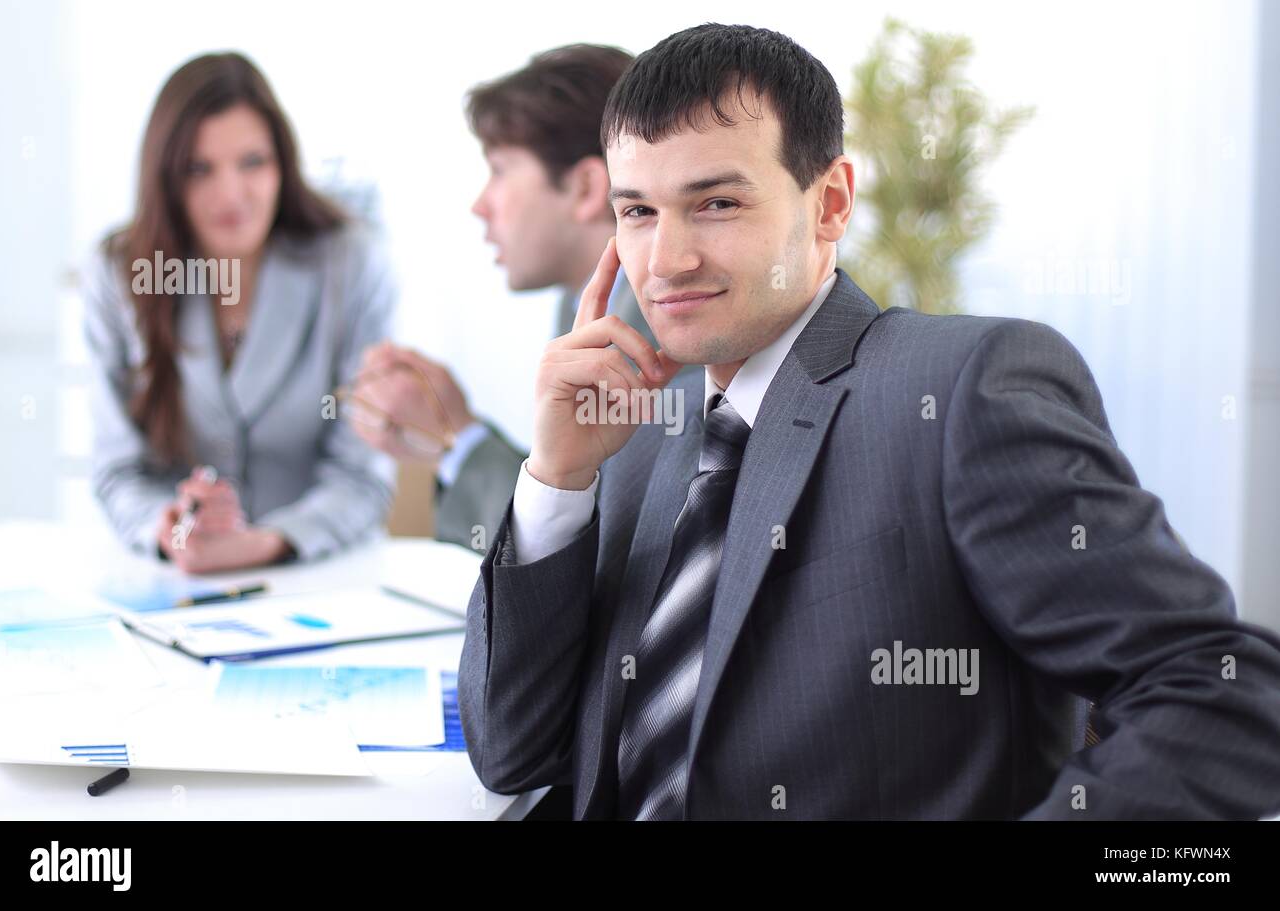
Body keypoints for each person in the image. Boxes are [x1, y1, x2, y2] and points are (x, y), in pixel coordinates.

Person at [458, 24, 1280, 820]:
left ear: (831, 204)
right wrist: (555, 481)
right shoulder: (639, 429)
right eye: (638, 212)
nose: (666, 260)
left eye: (715, 202)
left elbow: (1224, 690)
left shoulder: (962, 390)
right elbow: (511, 755)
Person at [349, 44, 684, 550]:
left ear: (587, 187)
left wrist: (458, 440)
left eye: (501, 169)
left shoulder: (669, 335)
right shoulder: (584, 309)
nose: (480, 205)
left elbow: (598, 551)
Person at [84, 52, 396, 574]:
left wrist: (267, 543)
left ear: (283, 164)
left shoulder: (351, 262)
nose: (230, 193)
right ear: (166, 180)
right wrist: (167, 528)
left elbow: (361, 476)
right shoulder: (120, 271)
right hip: (170, 577)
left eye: (253, 162)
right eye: (199, 169)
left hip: (316, 574)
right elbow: (117, 470)